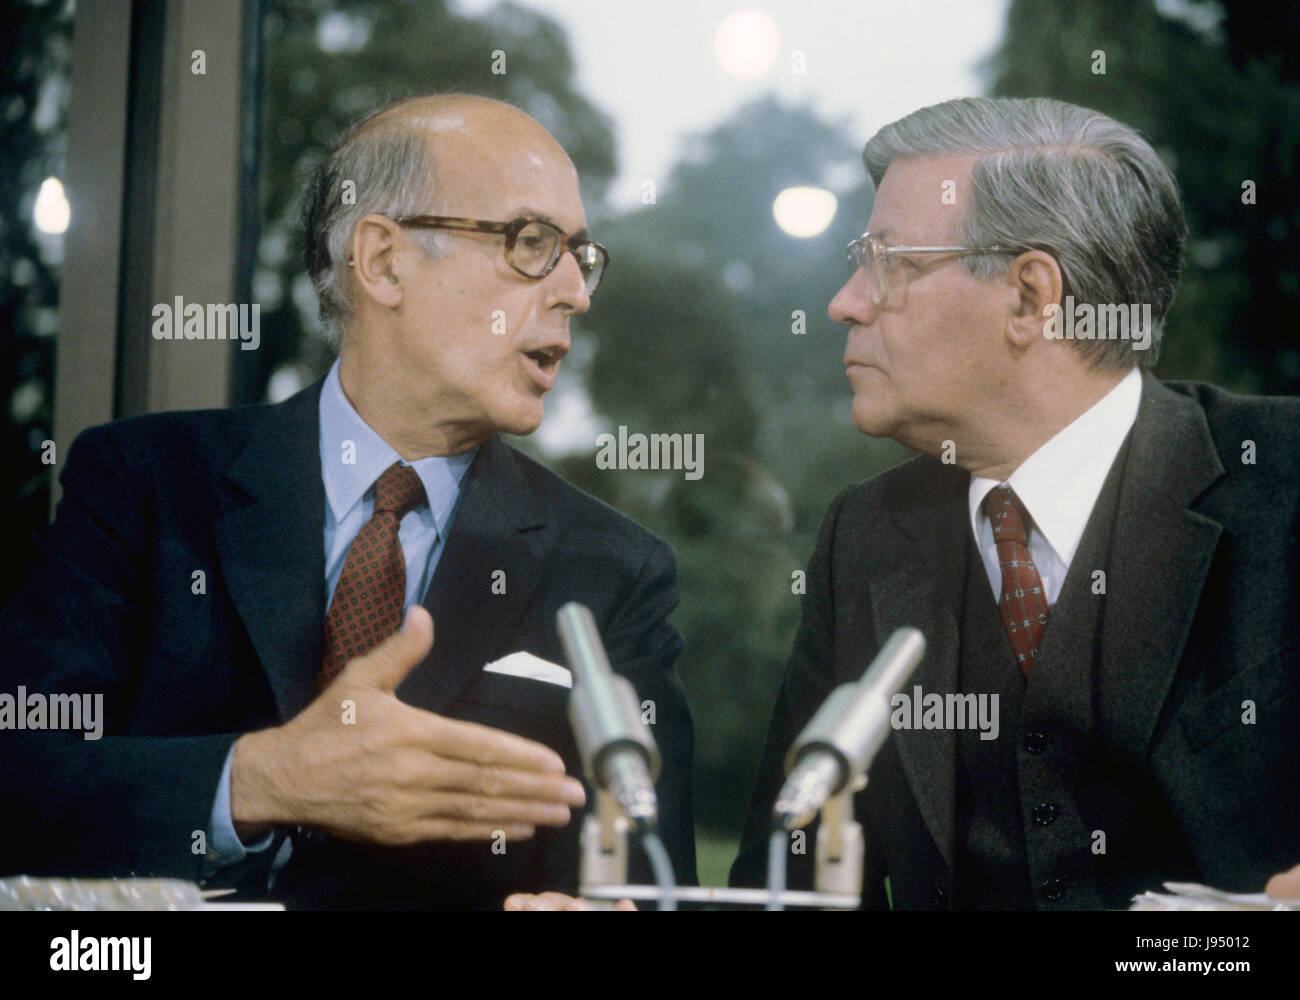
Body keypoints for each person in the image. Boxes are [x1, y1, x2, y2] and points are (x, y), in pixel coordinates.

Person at [0, 94, 696, 909]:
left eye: (581, 255)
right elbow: (19, 771)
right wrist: (260, 780)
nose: (576, 290)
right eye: (532, 243)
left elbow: (653, 878)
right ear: (384, 261)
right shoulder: (142, 480)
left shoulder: (614, 569)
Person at [731, 96, 1299, 909]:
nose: (846, 302)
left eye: (888, 262)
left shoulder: (1283, 481)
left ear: (1033, 296)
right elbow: (784, 881)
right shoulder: (866, 536)